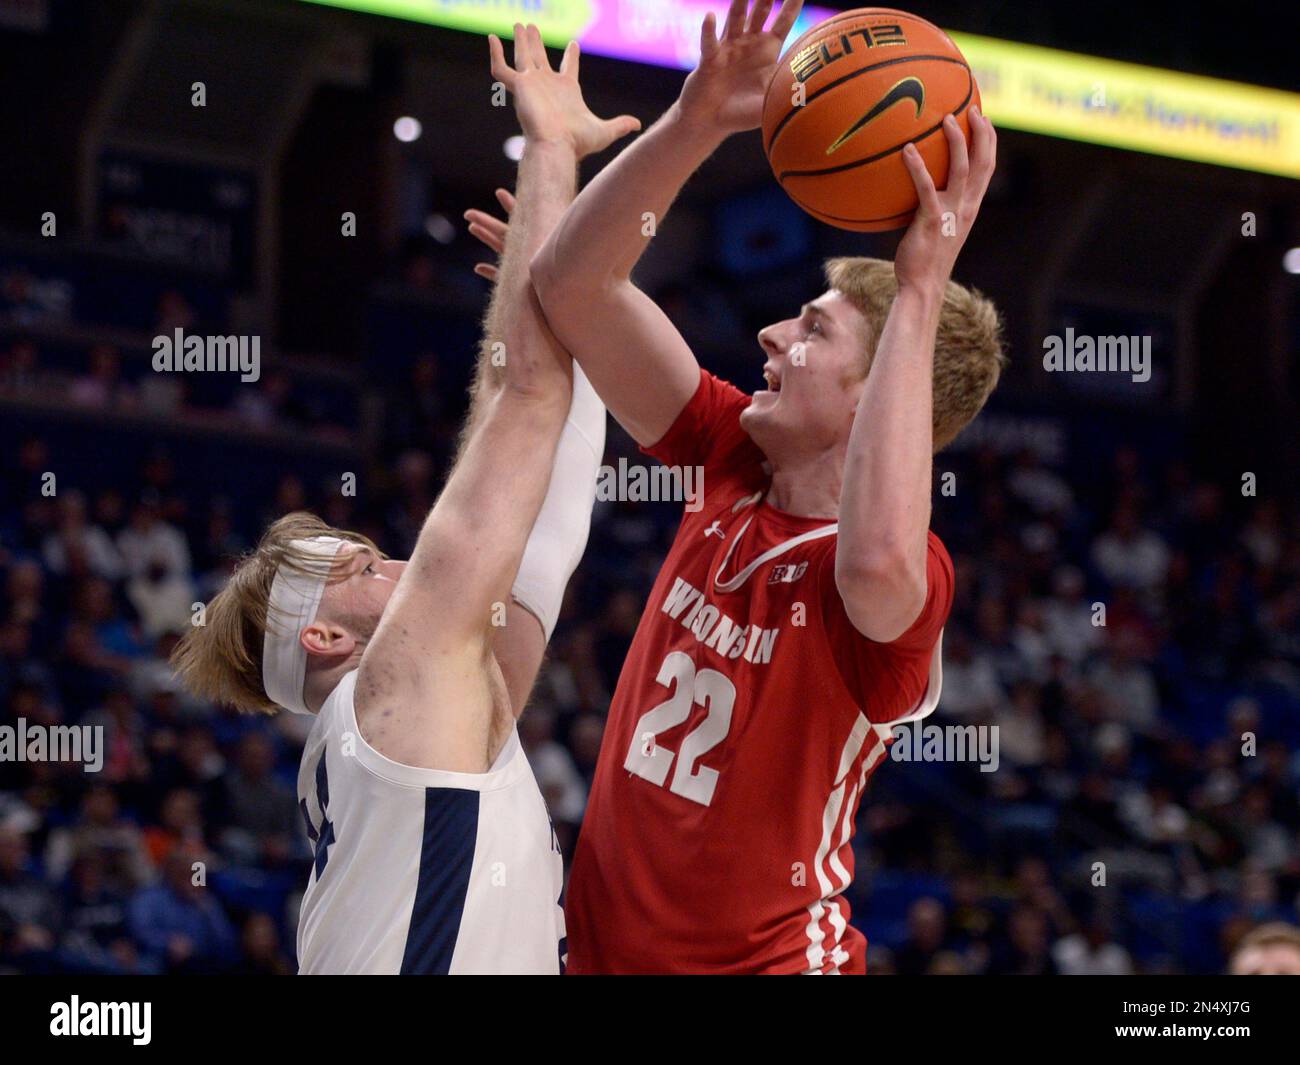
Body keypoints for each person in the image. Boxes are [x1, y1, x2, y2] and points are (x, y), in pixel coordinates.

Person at [527, 0, 1004, 972]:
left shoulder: (893, 576)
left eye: (814, 331)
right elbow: (571, 285)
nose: (771, 338)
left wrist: (918, 288)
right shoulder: (730, 456)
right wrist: (693, 122)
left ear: (878, 395)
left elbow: (874, 556)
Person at [170, 26, 636, 974]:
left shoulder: (415, 714)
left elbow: (544, 537)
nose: (397, 559)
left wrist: (567, 308)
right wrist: (548, 159)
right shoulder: (392, 695)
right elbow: (520, 399)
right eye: (362, 567)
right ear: (324, 638)